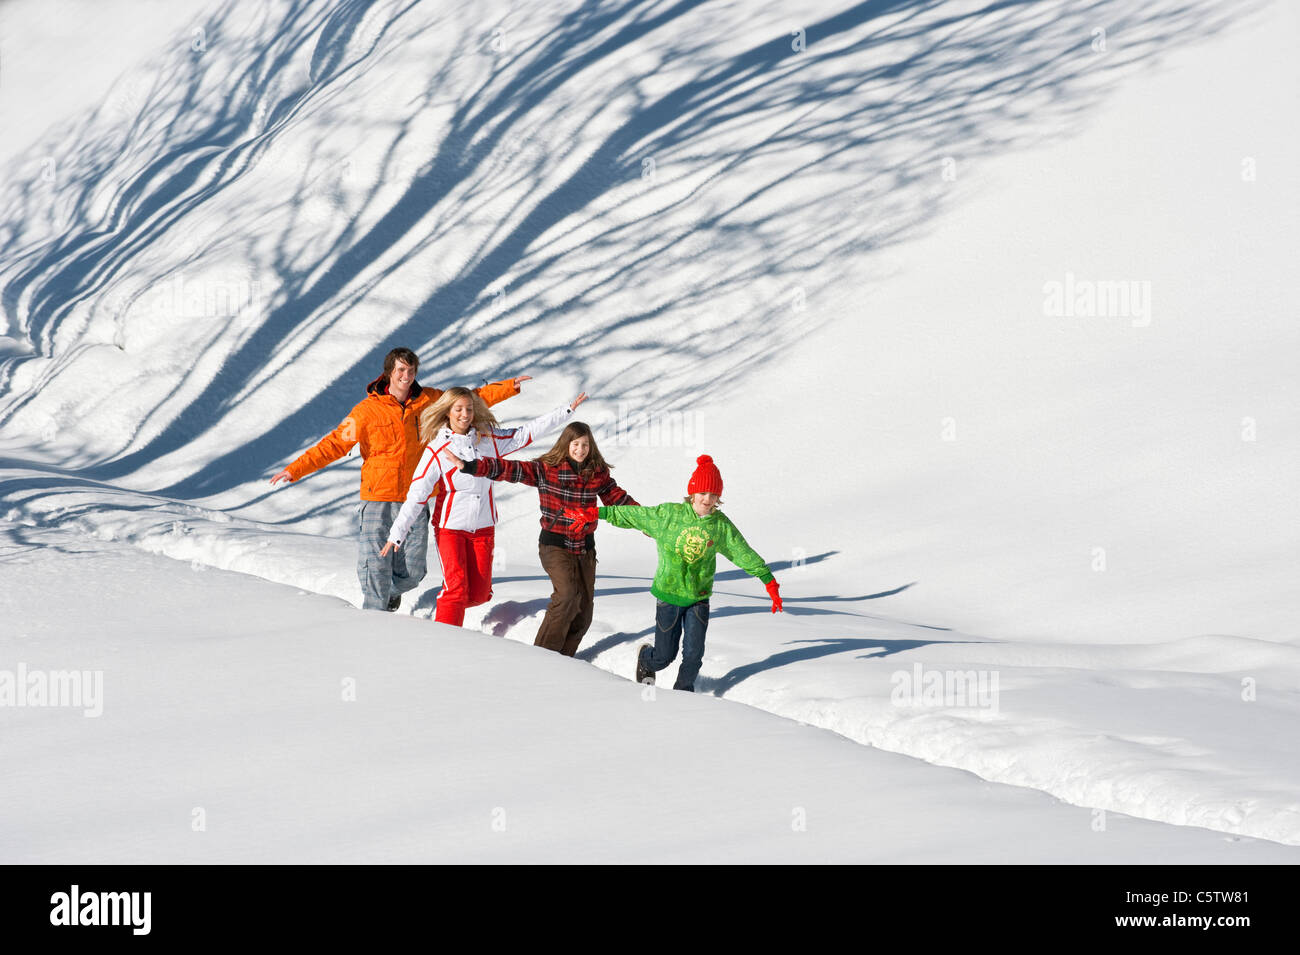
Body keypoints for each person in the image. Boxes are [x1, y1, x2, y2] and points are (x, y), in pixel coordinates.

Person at [270, 347, 527, 611]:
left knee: (415, 570)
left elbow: (468, 401)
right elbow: (334, 443)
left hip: (415, 498)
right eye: (401, 370)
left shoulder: (429, 399)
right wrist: (295, 469)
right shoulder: (366, 411)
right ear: (389, 373)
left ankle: (390, 592)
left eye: (411, 370)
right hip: (377, 497)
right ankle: (374, 611)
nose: (406, 376)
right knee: (375, 562)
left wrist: (508, 387)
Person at [565, 454, 782, 691]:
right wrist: (596, 513)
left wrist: (768, 580)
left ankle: (682, 695)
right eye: (702, 493)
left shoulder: (720, 527)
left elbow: (742, 552)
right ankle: (646, 659)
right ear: (692, 493)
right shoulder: (669, 516)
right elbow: (632, 515)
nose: (707, 500)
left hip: (698, 598)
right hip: (668, 596)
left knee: (693, 656)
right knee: (664, 656)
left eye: (713, 495)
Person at [381, 387, 588, 626]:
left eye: (469, 409)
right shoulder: (436, 450)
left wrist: (566, 411)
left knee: (479, 594)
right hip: (451, 528)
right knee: (456, 589)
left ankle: (448, 605)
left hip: (483, 528)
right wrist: (397, 534)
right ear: (447, 412)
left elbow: (524, 434)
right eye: (458, 409)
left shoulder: (487, 439)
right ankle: (443, 640)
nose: (464, 414)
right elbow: (417, 495)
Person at [443, 421, 637, 656]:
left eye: (585, 444)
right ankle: (542, 658)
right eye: (575, 444)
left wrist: (647, 521)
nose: (580, 449)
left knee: (584, 613)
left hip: (585, 549)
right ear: (566, 445)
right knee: (566, 597)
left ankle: (565, 660)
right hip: (555, 545)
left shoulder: (597, 473)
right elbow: (509, 469)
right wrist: (473, 466)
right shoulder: (547, 469)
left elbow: (619, 499)